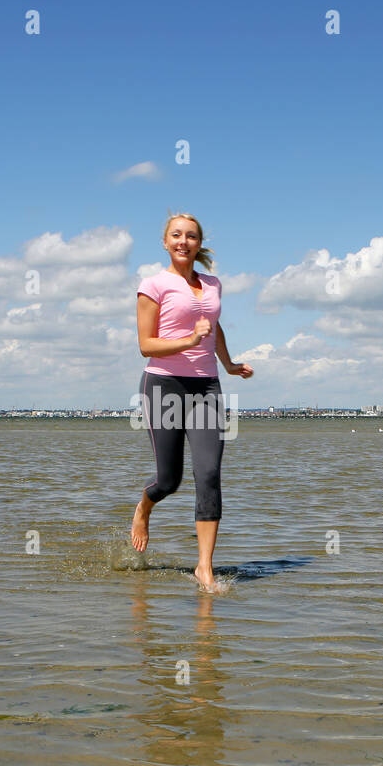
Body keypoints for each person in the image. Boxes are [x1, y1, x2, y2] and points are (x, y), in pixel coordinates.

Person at [130, 213, 253, 591]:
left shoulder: (213, 285)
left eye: (191, 236)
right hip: (163, 385)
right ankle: (144, 508)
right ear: (166, 242)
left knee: (210, 474)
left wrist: (228, 364)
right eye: (176, 235)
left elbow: (213, 329)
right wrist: (187, 341)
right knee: (169, 480)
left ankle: (204, 567)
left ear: (199, 245)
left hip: (206, 388)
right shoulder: (153, 285)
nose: (184, 241)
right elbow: (145, 345)